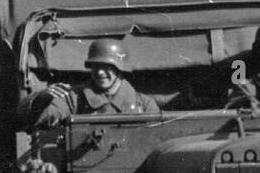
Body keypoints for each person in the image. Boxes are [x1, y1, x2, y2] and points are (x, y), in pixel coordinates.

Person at [26, 40, 164, 128]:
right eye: (95, 66)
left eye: (107, 67)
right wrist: (42, 100)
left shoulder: (144, 105)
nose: (100, 73)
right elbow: (46, 119)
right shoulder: (74, 97)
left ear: (120, 69)